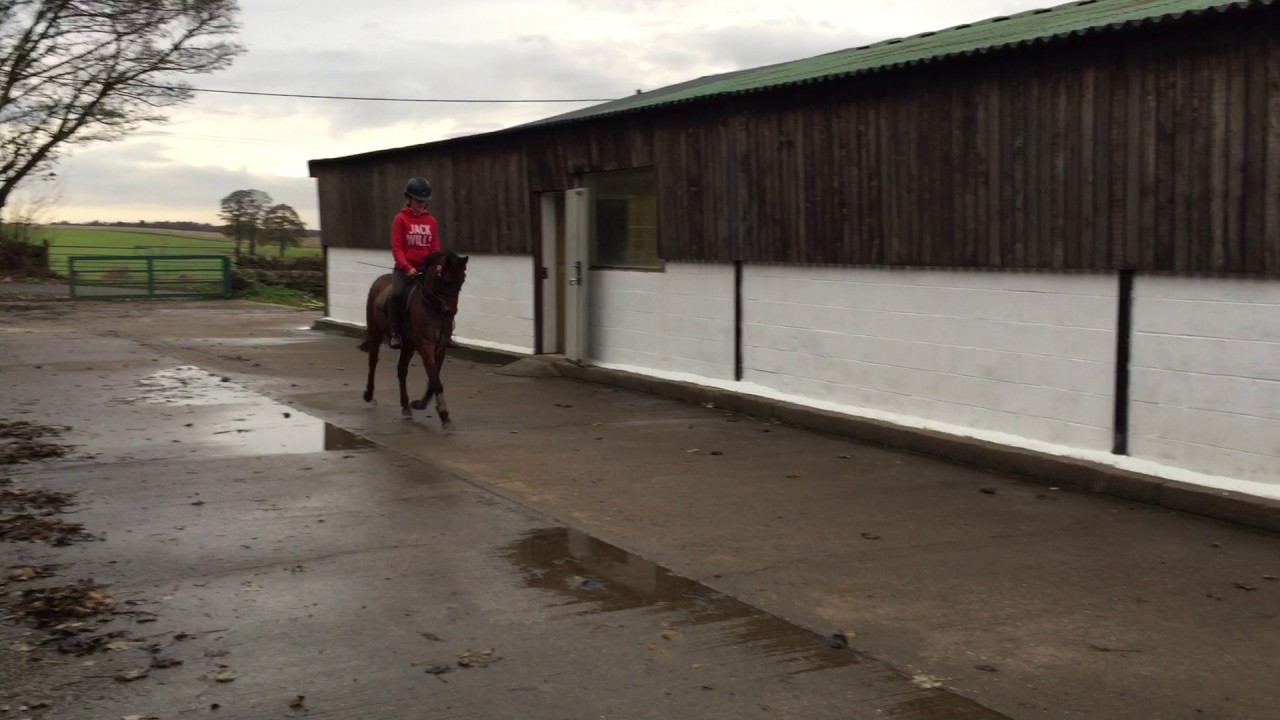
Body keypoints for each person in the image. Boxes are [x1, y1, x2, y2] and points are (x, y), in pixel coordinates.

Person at [386, 176, 440, 349]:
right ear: (409, 198)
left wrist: (437, 264)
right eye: (418, 200)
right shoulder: (400, 219)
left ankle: (446, 331)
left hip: (426, 270)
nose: (421, 203)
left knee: (444, 294)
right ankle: (394, 333)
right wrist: (407, 268)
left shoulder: (431, 221)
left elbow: (435, 247)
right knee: (396, 294)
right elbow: (397, 248)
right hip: (405, 269)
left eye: (424, 201)